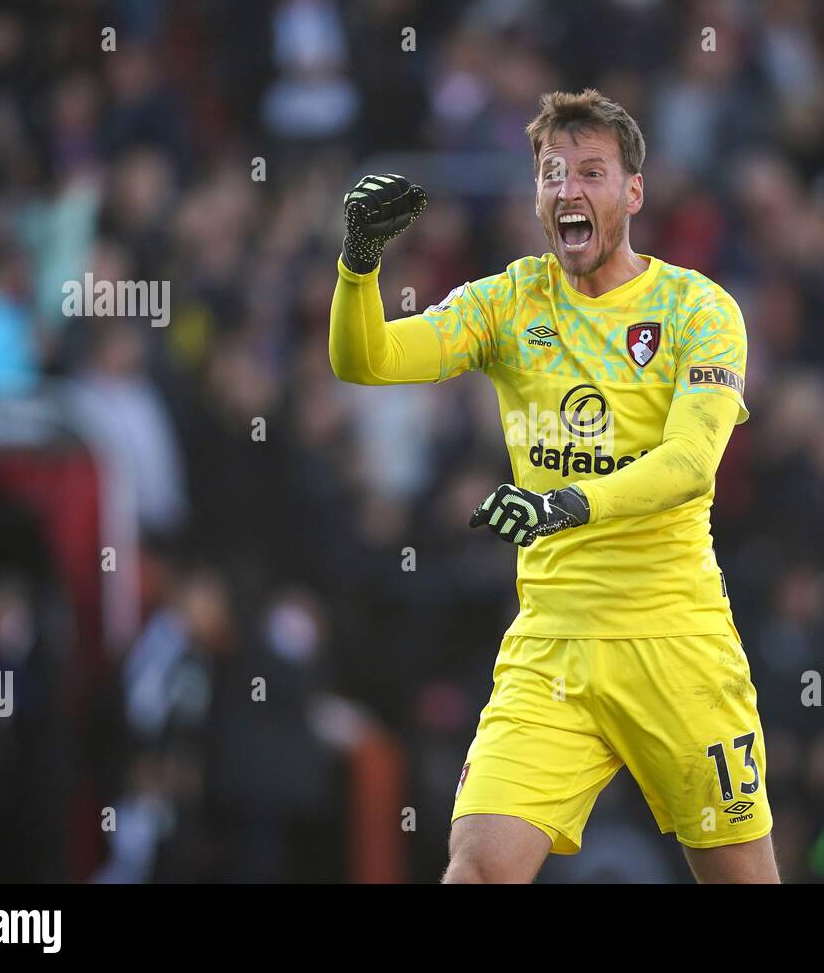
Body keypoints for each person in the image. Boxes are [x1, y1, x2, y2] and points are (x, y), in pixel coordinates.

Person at [328, 89, 777, 883]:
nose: (568, 190)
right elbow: (367, 361)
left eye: (592, 173)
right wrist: (359, 265)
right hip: (552, 649)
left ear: (633, 192)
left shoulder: (698, 309)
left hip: (676, 643)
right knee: (476, 870)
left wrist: (565, 505)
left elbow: (689, 464)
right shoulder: (510, 301)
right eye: (551, 174)